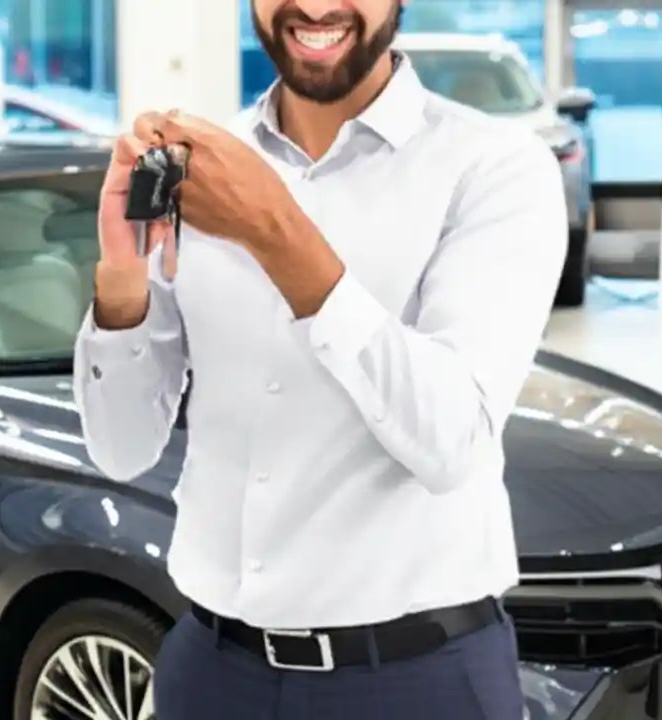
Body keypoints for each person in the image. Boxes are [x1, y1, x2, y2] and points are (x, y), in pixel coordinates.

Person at [72, 0, 567, 717]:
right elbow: (120, 450)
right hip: (212, 668)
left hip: (414, 678)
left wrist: (275, 231)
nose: (315, 5)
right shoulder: (201, 170)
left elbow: (450, 441)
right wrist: (121, 280)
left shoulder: (493, 169)